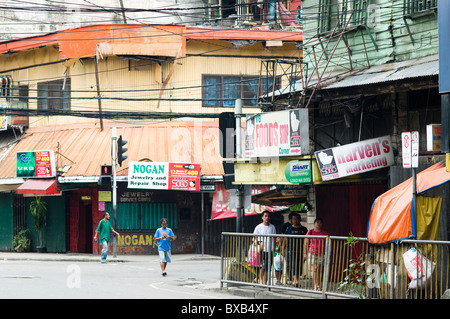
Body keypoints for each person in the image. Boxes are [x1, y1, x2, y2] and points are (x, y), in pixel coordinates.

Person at [304, 217, 328, 290]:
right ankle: (315, 284)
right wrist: (305, 253)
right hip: (312, 253)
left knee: (320, 269)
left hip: (322, 253)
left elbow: (327, 243)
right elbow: (306, 243)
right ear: (314, 223)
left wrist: (326, 254)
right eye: (317, 222)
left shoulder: (324, 233)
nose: (319, 224)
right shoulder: (310, 232)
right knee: (315, 269)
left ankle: (318, 284)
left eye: (320, 222)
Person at [253, 210, 276, 284]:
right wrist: (256, 243)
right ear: (262, 217)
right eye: (265, 216)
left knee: (268, 267)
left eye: (268, 216)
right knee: (261, 266)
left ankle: (264, 282)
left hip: (270, 249)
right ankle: (260, 280)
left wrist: (274, 248)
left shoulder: (272, 227)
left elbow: (274, 238)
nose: (267, 218)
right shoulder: (258, 227)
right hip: (261, 249)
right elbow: (254, 237)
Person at [284, 213, 308, 287]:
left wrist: (305, 252)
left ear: (300, 220)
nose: (295, 220)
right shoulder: (289, 229)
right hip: (291, 251)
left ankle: (296, 279)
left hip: (301, 250)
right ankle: (295, 281)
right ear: (291, 220)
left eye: (297, 219)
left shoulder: (304, 229)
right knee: (293, 265)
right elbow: (285, 239)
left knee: (299, 266)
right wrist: (283, 249)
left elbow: (306, 240)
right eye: (294, 219)